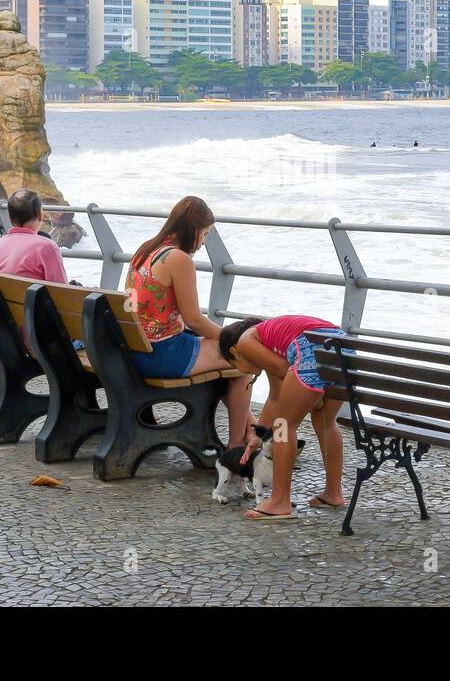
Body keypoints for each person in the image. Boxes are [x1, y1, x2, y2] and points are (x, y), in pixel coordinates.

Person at [125, 196, 252, 447]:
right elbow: (193, 319)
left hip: (134, 348)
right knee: (244, 360)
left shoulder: (145, 250)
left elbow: (133, 305)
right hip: (161, 354)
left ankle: (254, 432)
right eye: (204, 235)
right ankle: (236, 449)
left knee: (227, 357)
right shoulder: (178, 259)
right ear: (193, 230)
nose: (203, 243)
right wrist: (231, 338)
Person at [220, 314, 346, 520]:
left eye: (235, 364)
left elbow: (284, 372)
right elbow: (276, 396)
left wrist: (313, 398)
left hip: (309, 348)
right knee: (325, 422)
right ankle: (333, 493)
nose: (243, 372)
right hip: (342, 346)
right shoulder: (270, 338)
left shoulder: (245, 342)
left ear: (235, 351)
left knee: (283, 425)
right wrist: (258, 436)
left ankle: (279, 501)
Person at [0, 188, 67, 283]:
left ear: (10, 218)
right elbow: (60, 289)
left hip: (4, 297)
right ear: (40, 215)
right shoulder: (47, 247)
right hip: (31, 297)